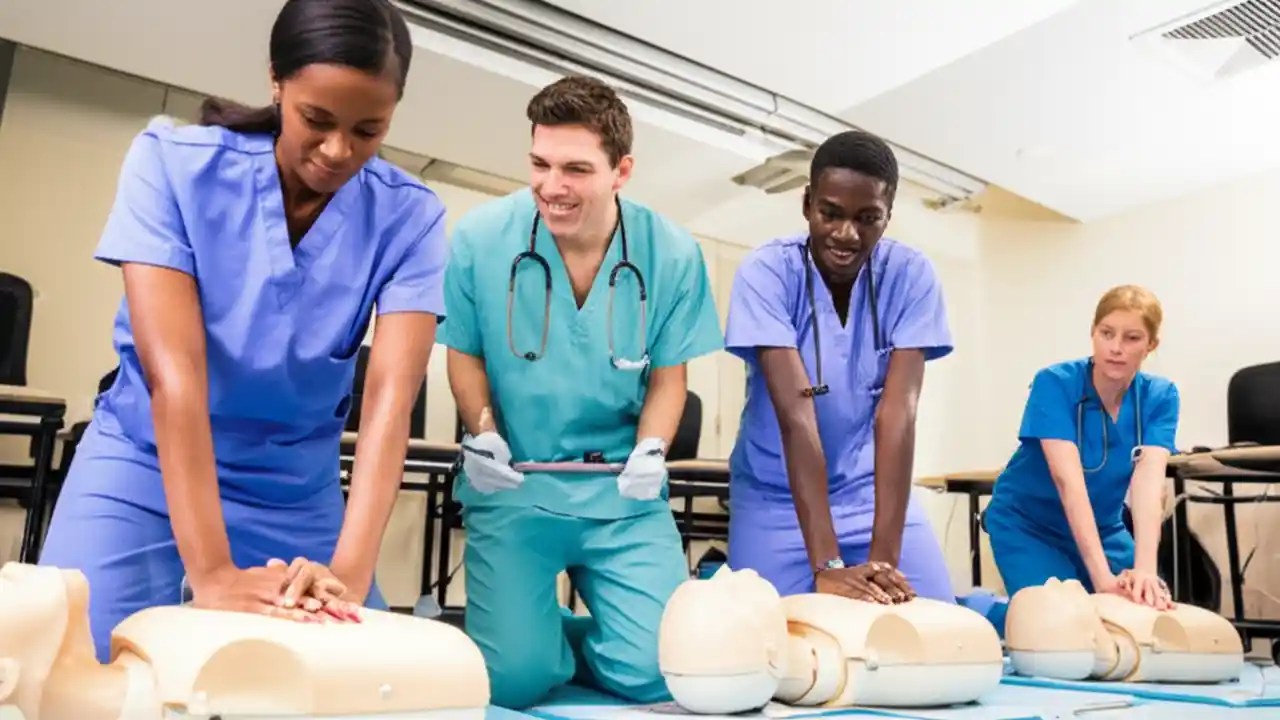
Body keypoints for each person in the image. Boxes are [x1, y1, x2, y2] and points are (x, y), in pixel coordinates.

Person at [38, 0, 445, 661]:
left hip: (292, 485)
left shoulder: (411, 217)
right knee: (77, 664)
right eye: (317, 120)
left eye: (369, 131)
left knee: (350, 674)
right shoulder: (171, 164)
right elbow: (176, 378)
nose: (339, 151)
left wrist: (351, 571)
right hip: (143, 460)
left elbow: (389, 404)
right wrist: (213, 574)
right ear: (276, 82)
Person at [437, 74, 723, 709]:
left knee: (661, 673)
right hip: (516, 488)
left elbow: (669, 378)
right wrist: (482, 431)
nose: (551, 186)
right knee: (513, 680)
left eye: (575, 169)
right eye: (539, 164)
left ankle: (554, 636)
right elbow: (465, 355)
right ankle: (524, 642)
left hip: (620, 492)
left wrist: (653, 448)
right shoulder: (480, 238)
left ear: (621, 171)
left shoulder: (671, 253)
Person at [723, 130, 955, 605]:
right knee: (774, 643)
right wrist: (828, 566)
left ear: (888, 217)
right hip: (776, 498)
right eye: (830, 213)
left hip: (869, 494)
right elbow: (796, 415)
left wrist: (884, 562)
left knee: (933, 632)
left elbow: (898, 415)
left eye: (868, 218)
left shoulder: (911, 275)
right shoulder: (767, 273)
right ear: (807, 203)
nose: (847, 234)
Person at [983, 285, 1178, 627]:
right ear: (1093, 333)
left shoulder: (1159, 397)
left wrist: (1144, 570)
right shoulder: (1056, 384)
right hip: (1029, 524)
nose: (1116, 348)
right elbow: (1068, 483)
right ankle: (985, 612)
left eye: (1132, 338)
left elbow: (1149, 486)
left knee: (1144, 612)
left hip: (1105, 529)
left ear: (1151, 345)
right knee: (1061, 623)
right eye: (1107, 334)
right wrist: (1103, 580)